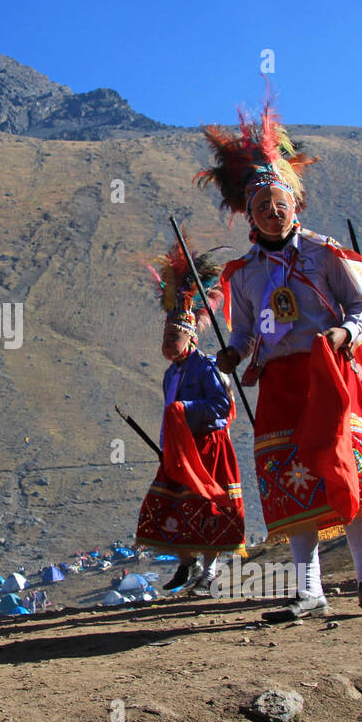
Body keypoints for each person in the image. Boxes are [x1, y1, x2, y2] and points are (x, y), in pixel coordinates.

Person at [199, 98, 362, 620]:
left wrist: (343, 332)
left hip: (331, 374)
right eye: (262, 205)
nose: (272, 211)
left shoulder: (326, 254)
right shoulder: (242, 275)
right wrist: (233, 352)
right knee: (293, 480)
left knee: (345, 469)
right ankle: (308, 590)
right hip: (281, 386)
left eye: (280, 202)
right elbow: (247, 332)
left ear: (296, 202)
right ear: (249, 212)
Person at [135, 239, 245, 595]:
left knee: (207, 509)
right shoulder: (171, 374)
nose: (167, 345)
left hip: (207, 450)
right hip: (179, 453)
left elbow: (221, 408)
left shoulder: (207, 367)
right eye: (164, 338)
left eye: (173, 337)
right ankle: (187, 564)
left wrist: (184, 412)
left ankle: (209, 574)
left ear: (190, 336)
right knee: (170, 506)